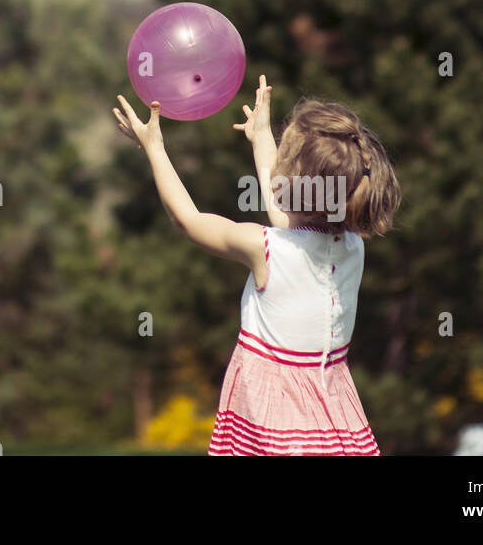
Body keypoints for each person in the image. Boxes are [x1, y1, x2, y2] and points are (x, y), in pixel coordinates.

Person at [113, 75, 401, 455]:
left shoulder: (265, 247)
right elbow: (286, 212)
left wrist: (154, 147)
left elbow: (188, 220)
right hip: (331, 424)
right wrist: (262, 137)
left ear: (295, 186)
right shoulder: (351, 247)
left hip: (273, 423)